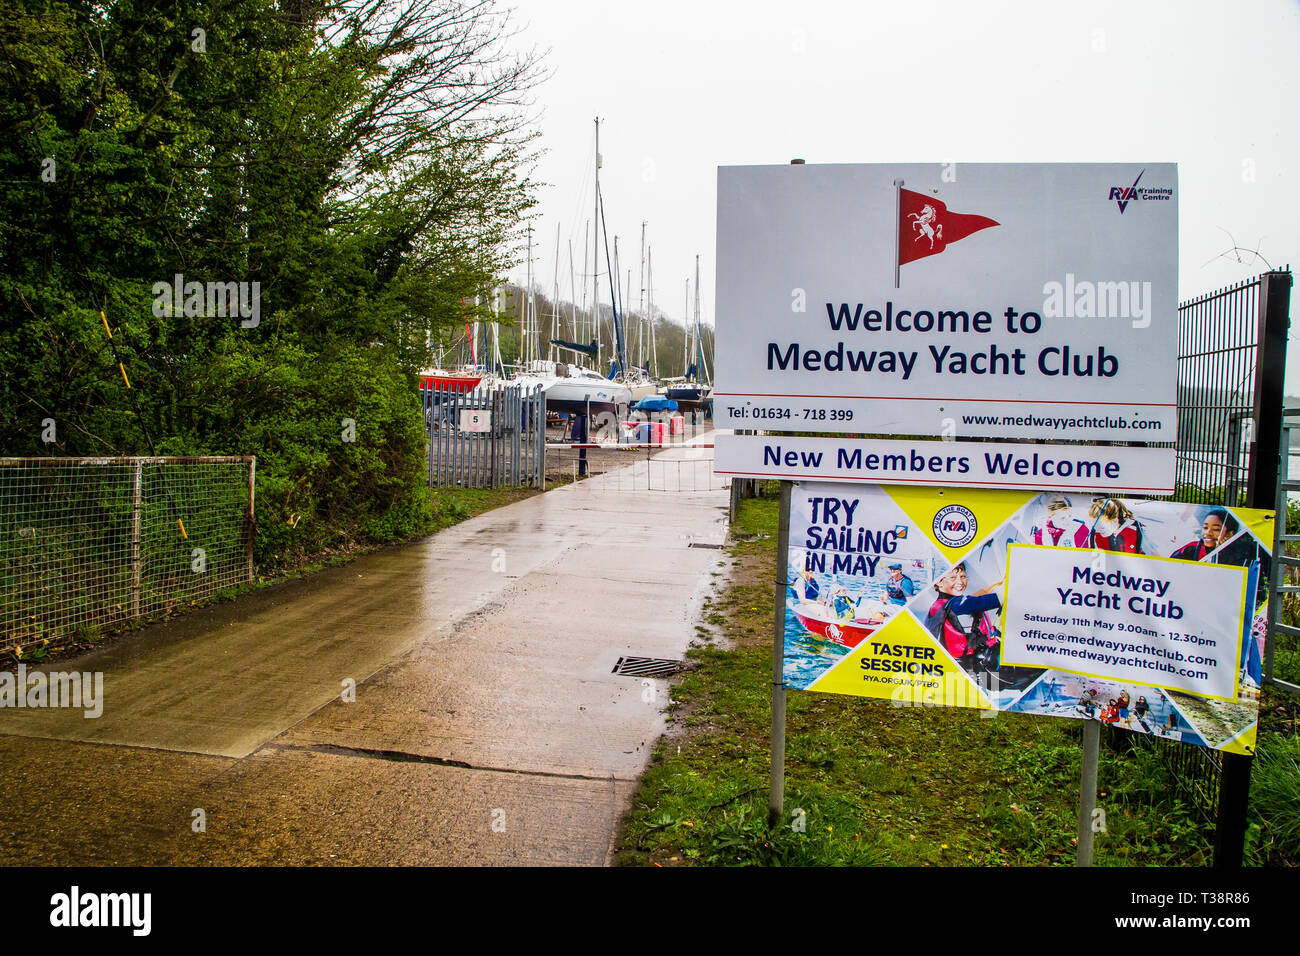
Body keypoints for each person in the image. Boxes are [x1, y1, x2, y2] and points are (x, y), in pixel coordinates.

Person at [924, 562, 1003, 672]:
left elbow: (972, 599)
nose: (960, 582)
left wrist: (995, 584)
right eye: (953, 577)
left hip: (956, 664)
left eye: (963, 577)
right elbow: (985, 601)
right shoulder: (955, 605)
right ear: (939, 582)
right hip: (973, 667)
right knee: (993, 686)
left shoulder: (940, 604)